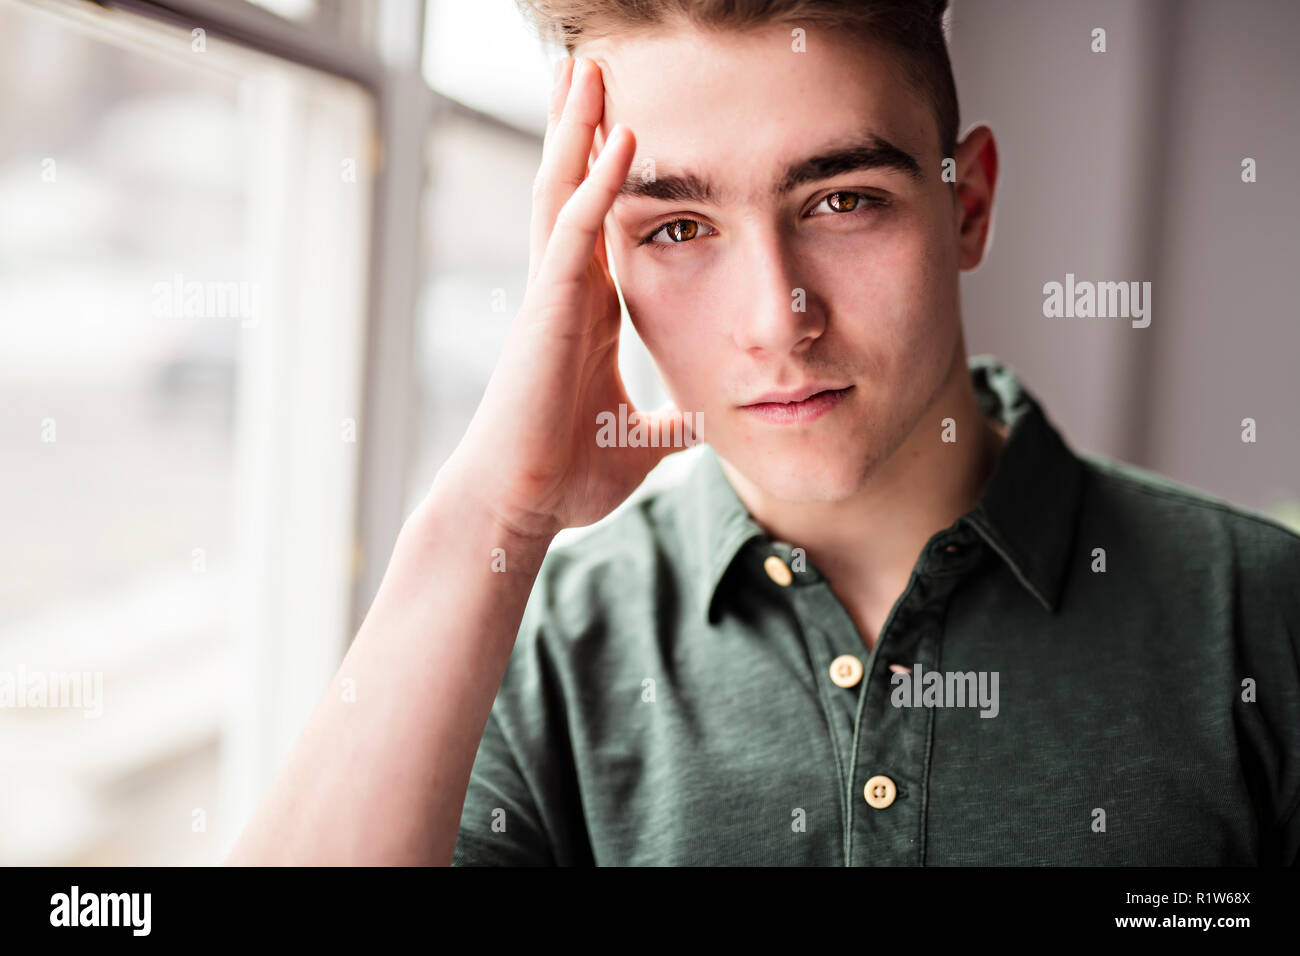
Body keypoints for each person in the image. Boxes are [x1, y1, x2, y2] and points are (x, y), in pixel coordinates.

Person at [226, 0, 1300, 866]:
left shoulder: (1263, 613)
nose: (774, 319)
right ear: (600, 259)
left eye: (840, 202)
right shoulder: (527, 648)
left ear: (965, 204)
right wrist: (491, 514)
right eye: (678, 228)